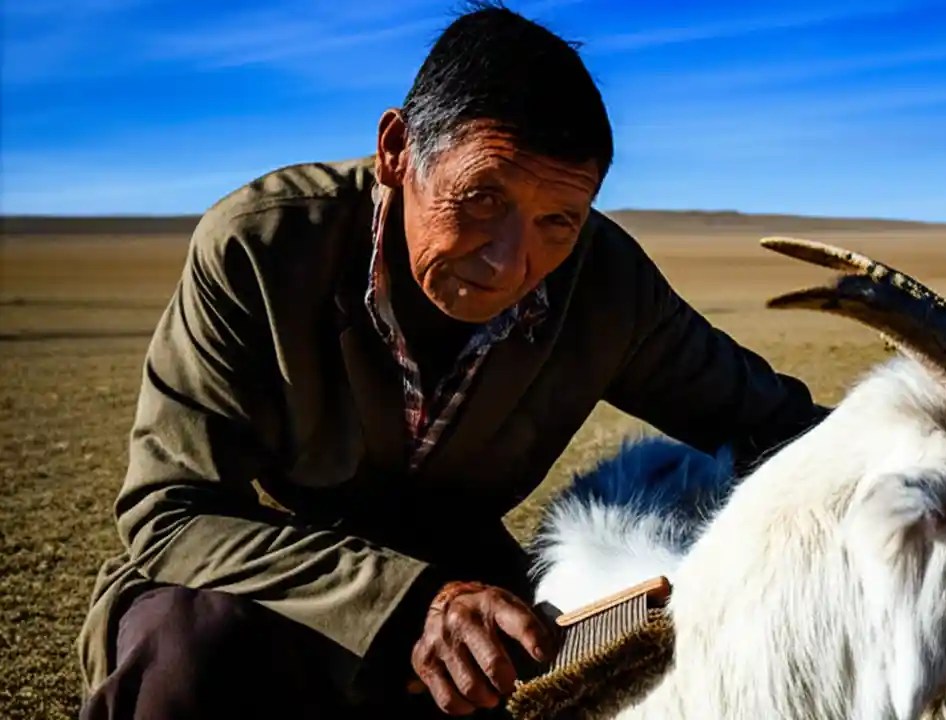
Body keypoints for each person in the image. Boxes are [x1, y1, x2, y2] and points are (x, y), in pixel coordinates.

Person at [75, 4, 828, 718]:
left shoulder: (605, 286)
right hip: (265, 575)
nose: (508, 262)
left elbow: (774, 423)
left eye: (557, 221)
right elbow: (171, 513)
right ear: (397, 150)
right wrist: (415, 600)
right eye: (482, 198)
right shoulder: (261, 247)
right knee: (189, 654)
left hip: (467, 588)